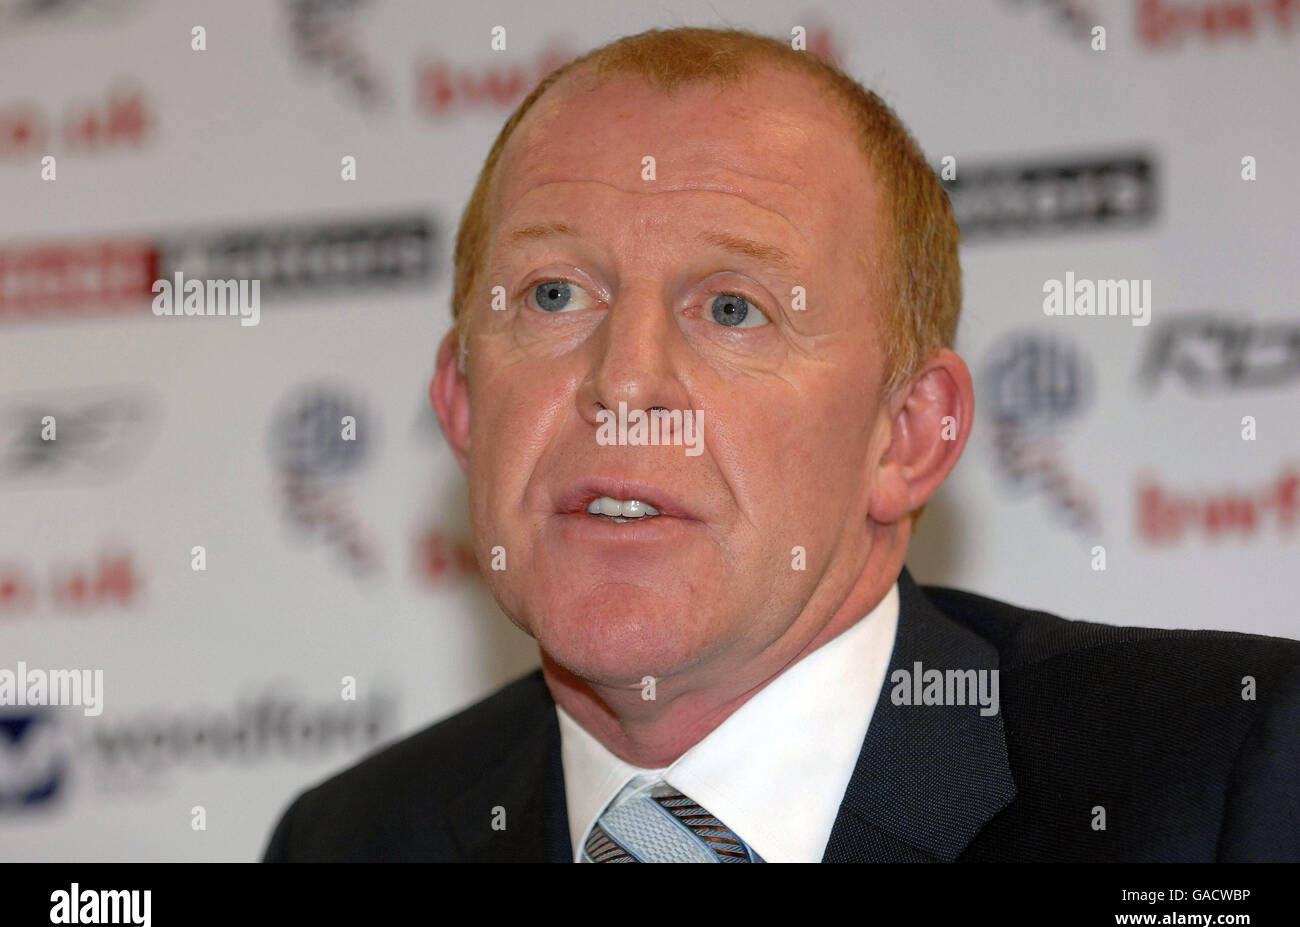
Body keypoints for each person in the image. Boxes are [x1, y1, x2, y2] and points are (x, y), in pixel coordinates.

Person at [262, 26, 1300, 863]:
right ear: (461, 400)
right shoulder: (347, 839)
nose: (622, 382)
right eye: (553, 294)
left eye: (731, 307)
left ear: (907, 435)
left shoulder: (1227, 780)